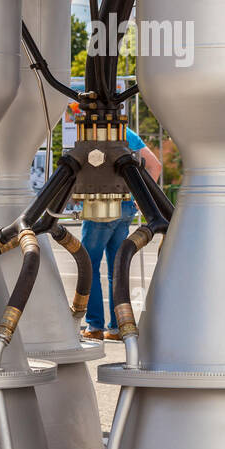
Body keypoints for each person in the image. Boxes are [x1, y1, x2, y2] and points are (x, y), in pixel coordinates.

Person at [80, 128, 161, 341]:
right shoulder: (128, 134)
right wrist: (141, 198)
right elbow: (155, 166)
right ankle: (116, 327)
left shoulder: (92, 131)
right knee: (117, 268)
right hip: (126, 207)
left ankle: (94, 325)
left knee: (88, 265)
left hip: (100, 204)